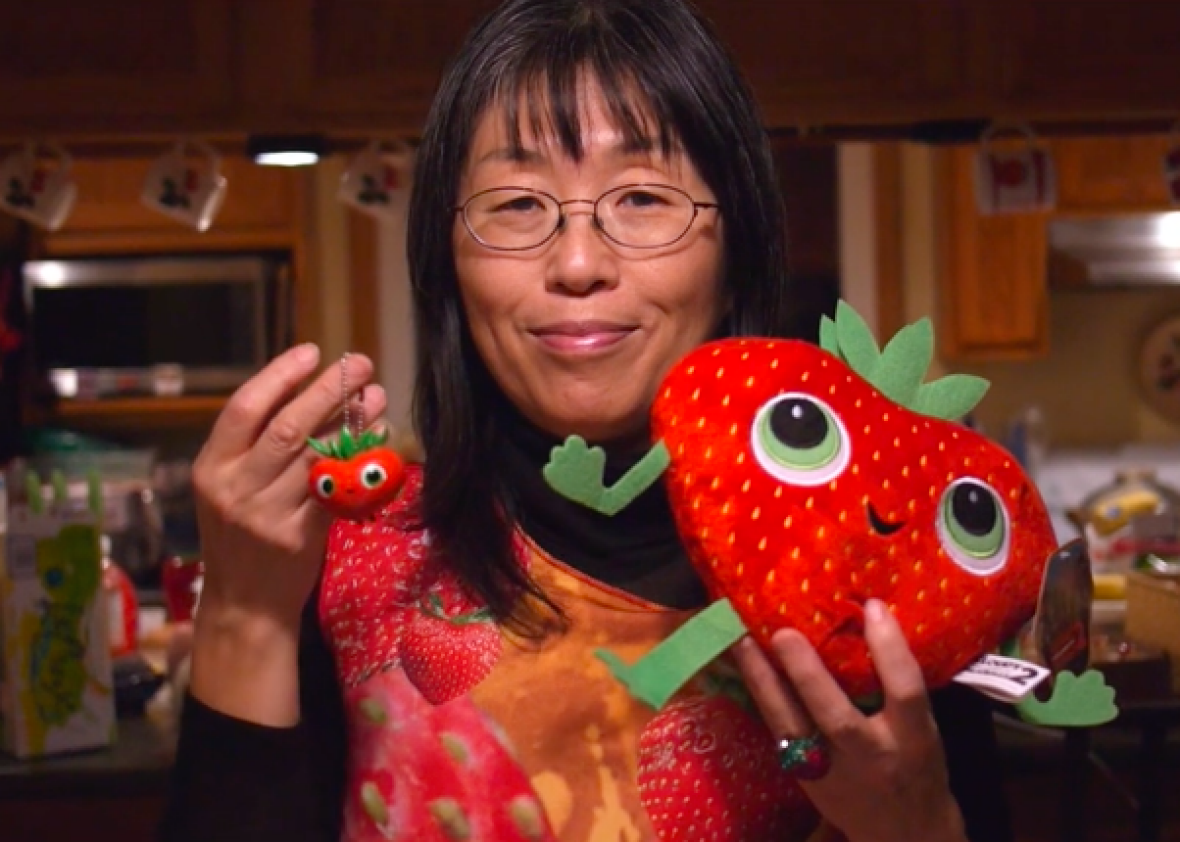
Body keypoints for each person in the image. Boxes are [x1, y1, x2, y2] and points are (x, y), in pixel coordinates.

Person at [158, 1, 1015, 840]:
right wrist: (245, 613)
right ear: (447, 264)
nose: (576, 262)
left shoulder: (893, 564)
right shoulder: (335, 561)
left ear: (735, 250)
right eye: (518, 204)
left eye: (644, 197)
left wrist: (916, 824)